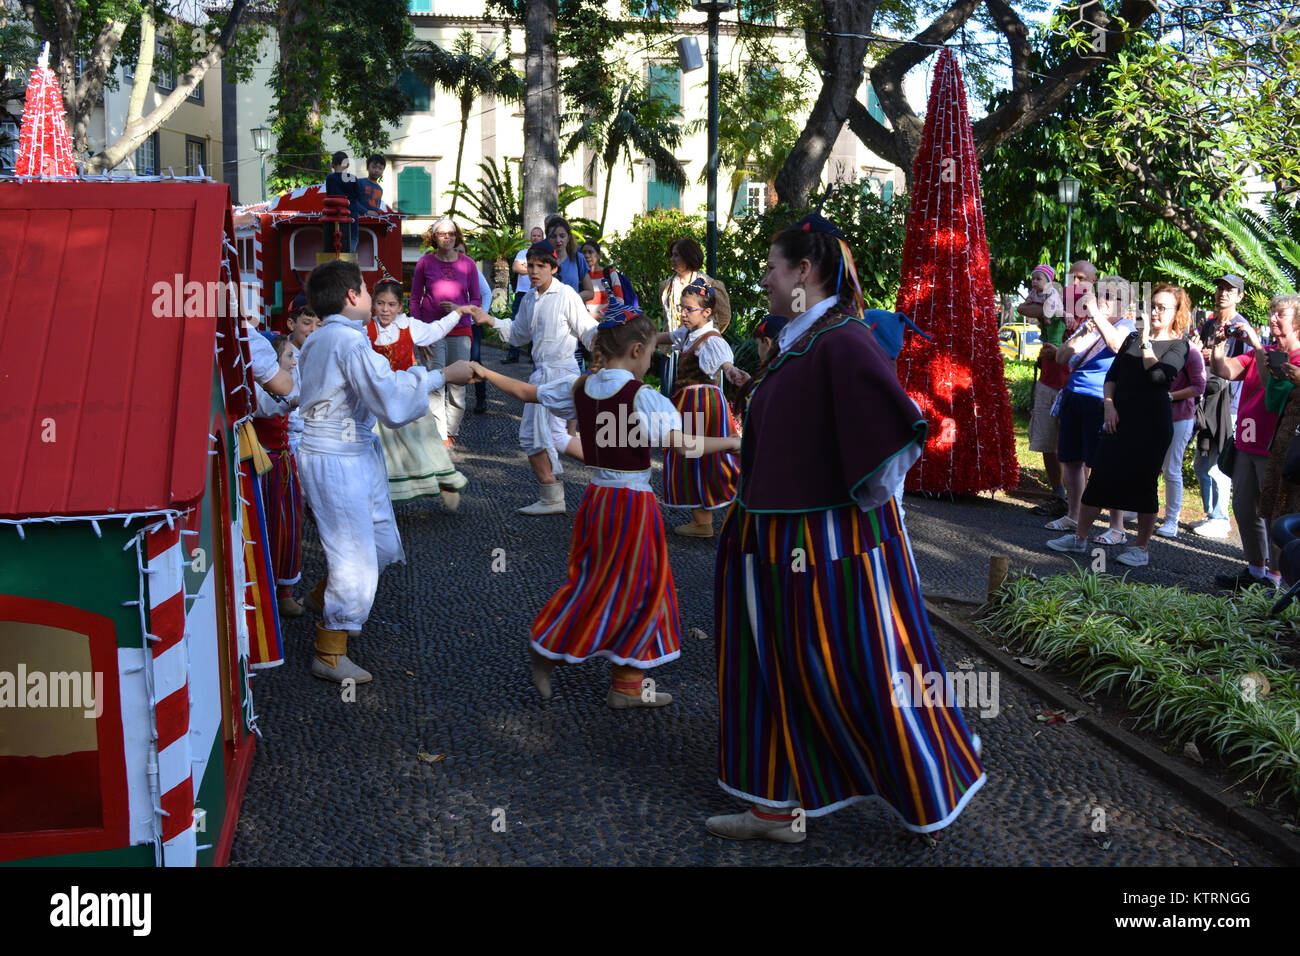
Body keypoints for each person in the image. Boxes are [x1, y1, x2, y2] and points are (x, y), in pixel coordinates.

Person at [706, 214, 984, 844]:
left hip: (818, 551)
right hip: (772, 547)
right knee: (773, 671)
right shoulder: (807, 337)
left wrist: (837, 522)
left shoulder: (841, 341)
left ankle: (929, 780)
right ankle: (777, 807)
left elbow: (890, 451)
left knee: (858, 670)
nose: (766, 280)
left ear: (804, 271)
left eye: (773, 268)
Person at [468, 303, 741, 709]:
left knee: (599, 578)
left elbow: (528, 392)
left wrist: (484, 372)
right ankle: (555, 647)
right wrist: (735, 442)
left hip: (598, 500)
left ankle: (623, 682)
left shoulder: (583, 386)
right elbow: (685, 446)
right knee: (643, 587)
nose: (651, 361)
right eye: (650, 353)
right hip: (633, 505)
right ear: (635, 350)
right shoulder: (643, 396)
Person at [295, 259, 477, 684]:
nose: (372, 295)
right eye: (364, 286)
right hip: (337, 455)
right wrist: (441, 376)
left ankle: (327, 599)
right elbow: (391, 397)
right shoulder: (348, 342)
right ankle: (329, 648)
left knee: (375, 542)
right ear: (351, 297)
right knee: (355, 557)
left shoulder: (326, 339)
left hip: (350, 451)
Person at [1045, 284, 1191, 566]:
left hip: (1152, 427)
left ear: (1177, 313)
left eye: (1163, 307)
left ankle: (1141, 548)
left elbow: (1159, 378)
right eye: (1153, 305)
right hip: (1118, 421)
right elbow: (1112, 376)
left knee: (1144, 483)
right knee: (1101, 477)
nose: (1155, 311)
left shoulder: (1178, 345)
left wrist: (1147, 340)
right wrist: (1109, 405)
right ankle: (1079, 538)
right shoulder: (1131, 339)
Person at [470, 239, 597, 515]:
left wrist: (608, 354)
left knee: (541, 435)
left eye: (541, 266)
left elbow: (588, 330)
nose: (535, 271)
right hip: (541, 374)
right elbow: (518, 334)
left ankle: (607, 468)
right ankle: (556, 492)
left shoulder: (567, 295)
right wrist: (489, 319)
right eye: (531, 266)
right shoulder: (529, 299)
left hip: (563, 372)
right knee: (545, 435)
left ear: (553, 267)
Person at [1210, 294, 1300, 589]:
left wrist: (1258, 346)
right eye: (1272, 312)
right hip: (1247, 441)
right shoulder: (1266, 351)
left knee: (1274, 512)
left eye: (1280, 314)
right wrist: (1219, 343)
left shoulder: (1296, 359)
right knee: (1243, 508)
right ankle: (1254, 570)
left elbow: (1273, 392)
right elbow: (1223, 370)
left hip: (1275, 449)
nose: (1273, 318)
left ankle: (1275, 577)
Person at [1040, 272, 1134, 546]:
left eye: (1113, 297)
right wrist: (1080, 338)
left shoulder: (1128, 326)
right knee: (1070, 460)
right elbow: (1061, 356)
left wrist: (1095, 315)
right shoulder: (1091, 326)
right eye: (1102, 294)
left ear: (1126, 305)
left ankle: (1117, 527)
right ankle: (1074, 514)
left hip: (1102, 403)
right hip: (1074, 397)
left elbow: (1117, 345)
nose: (1105, 301)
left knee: (1105, 465)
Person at [367, 277, 468, 509]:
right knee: (385, 449)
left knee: (424, 443)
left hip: (408, 396)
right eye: (381, 303)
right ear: (373, 304)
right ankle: (380, 497)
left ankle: (445, 483)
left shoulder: (409, 326)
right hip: (380, 402)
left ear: (399, 307)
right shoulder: (366, 331)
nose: (385, 309)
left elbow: (436, 330)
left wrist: (458, 313)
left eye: (391, 304)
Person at [655, 277, 744, 537]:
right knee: (694, 459)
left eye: (688, 309)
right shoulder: (688, 333)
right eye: (681, 308)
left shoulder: (711, 340)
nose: (682, 313)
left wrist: (732, 373)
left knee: (704, 457)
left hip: (703, 405)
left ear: (706, 312)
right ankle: (701, 521)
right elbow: (666, 336)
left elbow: (726, 364)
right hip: (690, 404)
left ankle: (737, 501)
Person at [411, 218, 480, 448]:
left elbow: (477, 298)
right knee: (435, 383)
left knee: (459, 385)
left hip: (460, 330)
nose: (447, 237)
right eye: (442, 234)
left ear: (457, 236)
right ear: (434, 238)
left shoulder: (468, 264)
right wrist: (419, 332)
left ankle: (451, 430)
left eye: (451, 234)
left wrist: (460, 310)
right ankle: (441, 436)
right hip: (432, 332)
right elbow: (414, 298)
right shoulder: (424, 263)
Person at [1192, 274, 1251, 539]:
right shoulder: (1210, 323)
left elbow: (1241, 364)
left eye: (1230, 290)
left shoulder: (1240, 327)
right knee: (1201, 462)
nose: (1223, 293)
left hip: (1231, 403)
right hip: (1207, 398)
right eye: (1220, 288)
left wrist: (1212, 353)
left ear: (1240, 296)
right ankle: (1210, 514)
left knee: (1219, 463)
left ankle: (1221, 518)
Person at [252, 336, 306, 617]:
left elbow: (294, 424)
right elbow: (267, 406)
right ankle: (264, 591)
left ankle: (284, 589)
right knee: (266, 530)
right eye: (287, 356)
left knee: (289, 529)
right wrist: (299, 399)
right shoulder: (255, 389)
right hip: (263, 471)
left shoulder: (288, 381)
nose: (293, 361)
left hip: (285, 466)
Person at [1018, 264, 1068, 515]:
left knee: (1072, 445)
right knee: (1047, 441)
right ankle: (1058, 494)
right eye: (1074, 276)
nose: (1075, 280)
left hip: (1073, 384)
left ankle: (1075, 502)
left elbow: (1044, 309)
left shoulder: (1082, 309)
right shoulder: (1056, 296)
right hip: (1048, 380)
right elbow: (1023, 307)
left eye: (1082, 277)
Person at [1156, 316, 1206, 538]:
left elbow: (1199, 386)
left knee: (1171, 469)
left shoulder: (1190, 350)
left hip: (1179, 417)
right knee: (1146, 464)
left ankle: (1171, 520)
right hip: (1152, 417)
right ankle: (1134, 508)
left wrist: (1169, 397)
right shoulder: (1148, 345)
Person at [457, 242, 493, 415]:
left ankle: (481, 399)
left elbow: (487, 293)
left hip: (471, 325)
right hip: (450, 326)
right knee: (452, 361)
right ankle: (452, 404)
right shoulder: (442, 271)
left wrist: (481, 315)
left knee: (475, 360)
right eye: (455, 250)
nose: (458, 254)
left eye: (461, 251)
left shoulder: (473, 270)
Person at [284, 297, 321, 458]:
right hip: (292, 439)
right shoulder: (279, 355)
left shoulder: (323, 355)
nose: (313, 330)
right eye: (307, 323)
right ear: (291, 324)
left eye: (319, 325)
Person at [504, 226, 545, 364]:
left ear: (542, 238)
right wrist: (535, 268)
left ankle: (533, 356)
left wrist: (526, 267)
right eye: (533, 235)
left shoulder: (546, 254)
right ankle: (513, 355)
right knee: (516, 323)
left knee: (537, 324)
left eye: (538, 235)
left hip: (538, 292)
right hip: (522, 293)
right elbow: (516, 268)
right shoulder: (523, 252)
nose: (535, 238)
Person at [323, 151, 359, 254]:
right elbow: (357, 195)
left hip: (334, 213)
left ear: (332, 165)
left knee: (334, 238)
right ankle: (350, 257)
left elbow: (329, 194)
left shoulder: (330, 178)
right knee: (353, 237)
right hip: (351, 212)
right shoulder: (353, 178)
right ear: (347, 164)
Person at [581, 240, 624, 319]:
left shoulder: (610, 274)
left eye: (590, 252)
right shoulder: (580, 277)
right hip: (586, 324)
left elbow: (619, 301)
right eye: (584, 253)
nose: (586, 255)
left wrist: (598, 315)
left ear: (599, 255)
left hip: (609, 323)